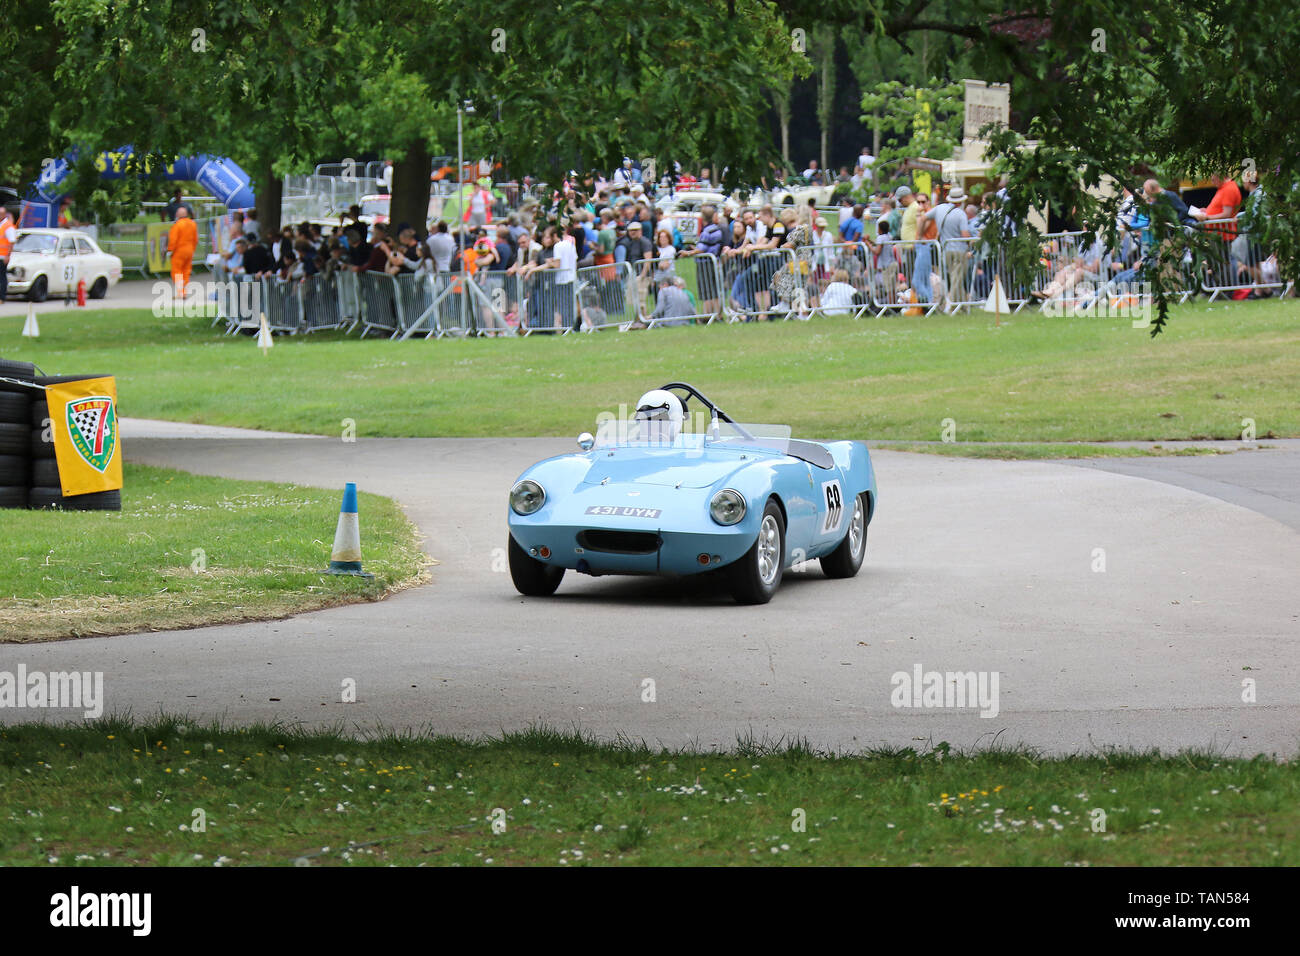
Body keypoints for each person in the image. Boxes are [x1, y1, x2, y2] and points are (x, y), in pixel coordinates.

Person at [926, 186, 972, 306]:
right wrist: (972, 242)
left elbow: (923, 218)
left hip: (946, 250)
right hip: (959, 250)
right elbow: (965, 235)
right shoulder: (961, 214)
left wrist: (920, 235)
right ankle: (950, 305)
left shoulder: (939, 208)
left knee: (956, 278)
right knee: (957, 279)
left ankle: (961, 306)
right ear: (961, 201)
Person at [167, 207, 198, 297]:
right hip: (189, 250)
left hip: (179, 251)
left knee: (177, 272)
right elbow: (195, 239)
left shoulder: (178, 225)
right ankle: (184, 292)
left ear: (178, 214)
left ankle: (181, 292)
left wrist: (170, 250)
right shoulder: (193, 224)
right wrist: (193, 249)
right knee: (186, 271)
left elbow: (173, 240)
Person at [0, 205, 17, 303]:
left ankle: (2, 297)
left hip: (3, 256)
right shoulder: (2, 225)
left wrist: (8, 255)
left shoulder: (8, 226)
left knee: (2, 277)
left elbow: (12, 242)